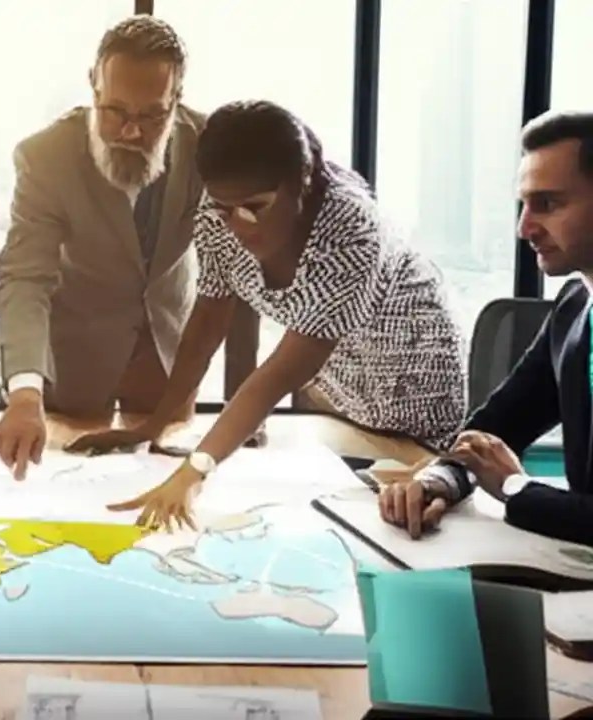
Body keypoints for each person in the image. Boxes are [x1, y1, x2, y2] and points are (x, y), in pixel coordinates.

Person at [75, 100, 467, 532]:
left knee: (401, 522)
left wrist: (195, 471)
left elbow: (281, 372)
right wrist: (154, 424)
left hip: (414, 387)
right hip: (334, 395)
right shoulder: (218, 211)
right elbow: (208, 320)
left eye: (255, 206)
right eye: (226, 208)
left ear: (301, 180)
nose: (238, 224)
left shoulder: (351, 227)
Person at [0, 16, 207, 479]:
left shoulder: (207, 147)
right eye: (114, 110)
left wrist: (243, 394)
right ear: (93, 85)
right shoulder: (45, 156)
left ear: (177, 99)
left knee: (161, 486)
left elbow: (240, 269)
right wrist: (25, 392)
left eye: (152, 115)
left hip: (168, 353)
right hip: (76, 354)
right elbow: (25, 277)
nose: (131, 132)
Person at [380, 110, 593, 546]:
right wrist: (443, 478)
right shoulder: (576, 304)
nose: (525, 228)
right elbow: (498, 425)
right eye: (524, 205)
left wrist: (516, 488)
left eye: (548, 204)